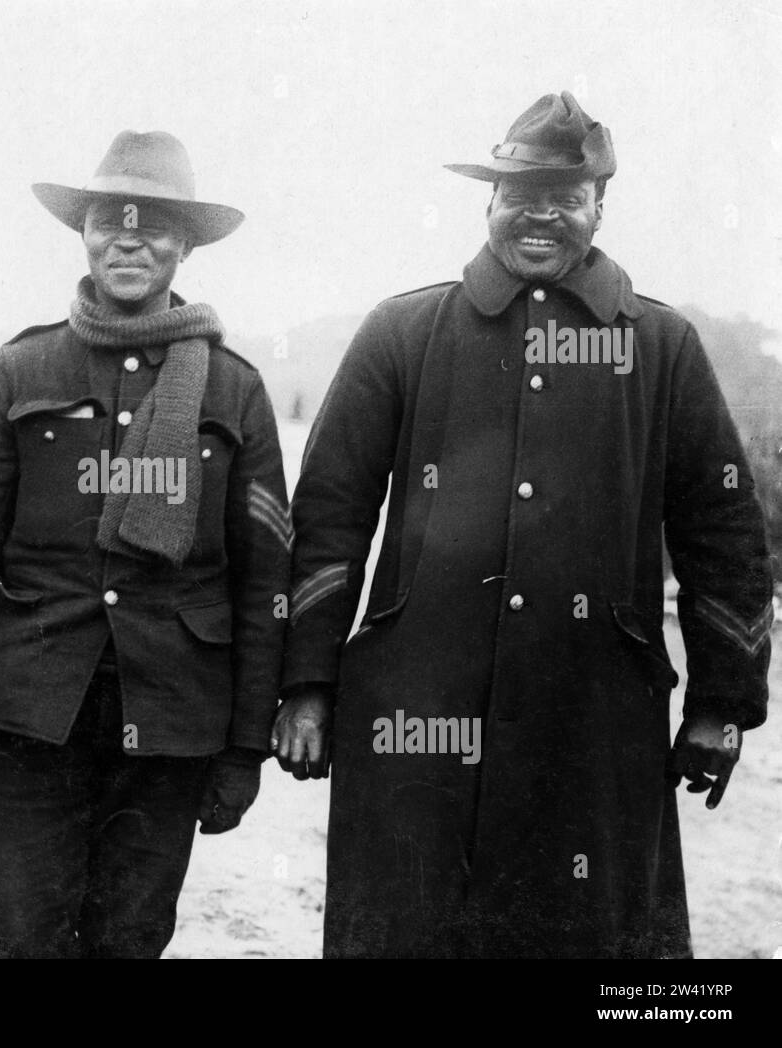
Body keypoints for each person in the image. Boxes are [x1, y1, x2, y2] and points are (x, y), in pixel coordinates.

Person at [273, 92, 773, 958]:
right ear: (489, 201)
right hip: (416, 718)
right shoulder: (403, 330)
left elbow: (724, 538)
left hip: (597, 718)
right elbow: (328, 516)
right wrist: (309, 682)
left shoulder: (661, 346)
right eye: (520, 193)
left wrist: (720, 705)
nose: (541, 214)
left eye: (565, 196)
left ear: (599, 208)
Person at [0, 131, 290, 958]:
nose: (129, 239)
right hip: (31, 711)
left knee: (129, 936)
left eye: (154, 225)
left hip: (172, 715)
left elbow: (265, 577)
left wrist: (244, 746)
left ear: (185, 244)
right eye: (108, 222)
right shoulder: (22, 370)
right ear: (82, 234)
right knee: (19, 934)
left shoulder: (234, 390)